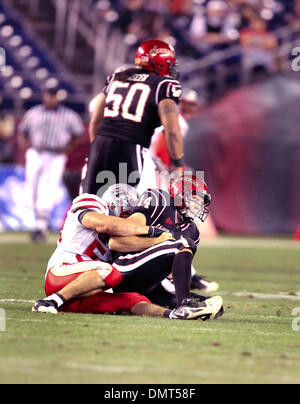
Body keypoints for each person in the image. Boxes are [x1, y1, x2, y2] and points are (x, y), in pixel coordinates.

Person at [32, 192, 218, 320]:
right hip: (61, 273)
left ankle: (175, 314)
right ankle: (48, 301)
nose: (126, 216)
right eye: (125, 212)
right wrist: (151, 230)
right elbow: (103, 224)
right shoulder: (92, 203)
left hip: (85, 291)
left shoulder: (122, 233)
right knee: (109, 271)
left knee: (133, 299)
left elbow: (126, 244)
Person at [82, 39, 184, 197]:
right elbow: (172, 131)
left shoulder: (117, 78)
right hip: (129, 147)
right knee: (125, 207)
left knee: (89, 202)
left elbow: (95, 120)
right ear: (159, 63)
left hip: (99, 144)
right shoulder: (164, 85)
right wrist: (177, 164)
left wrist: (96, 146)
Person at [110, 175, 223, 317]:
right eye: (195, 199)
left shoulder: (192, 230)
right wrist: (156, 240)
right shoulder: (159, 201)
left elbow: (172, 272)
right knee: (183, 243)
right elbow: (115, 242)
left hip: (148, 282)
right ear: (180, 196)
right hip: (122, 269)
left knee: (203, 302)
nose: (198, 205)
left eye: (201, 202)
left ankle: (182, 304)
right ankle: (184, 305)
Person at [18, 88, 85, 243]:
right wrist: (25, 147)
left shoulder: (68, 114)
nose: (51, 99)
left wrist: (68, 148)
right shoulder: (34, 112)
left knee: (48, 189)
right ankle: (39, 223)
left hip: (55, 155)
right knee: (32, 189)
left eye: (54, 96)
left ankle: (41, 227)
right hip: (35, 152)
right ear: (44, 96)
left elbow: (78, 132)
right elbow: (22, 131)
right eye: (49, 95)